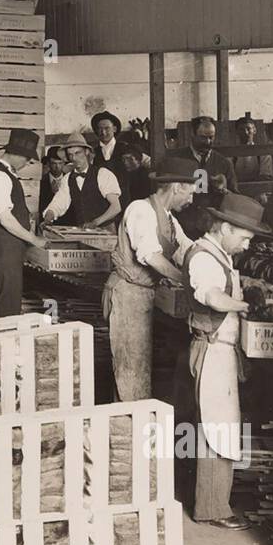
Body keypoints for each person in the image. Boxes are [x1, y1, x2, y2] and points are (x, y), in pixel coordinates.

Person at [184, 194, 270, 529]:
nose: (247, 245)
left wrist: (248, 285)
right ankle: (213, 508)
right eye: (244, 237)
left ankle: (214, 502)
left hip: (222, 349)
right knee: (216, 428)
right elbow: (211, 296)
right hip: (212, 350)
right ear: (224, 227)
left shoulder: (217, 254)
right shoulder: (204, 258)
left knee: (220, 426)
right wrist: (243, 306)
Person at [105, 155, 196, 400]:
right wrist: (187, 281)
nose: (192, 199)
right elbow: (152, 257)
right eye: (190, 192)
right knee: (130, 370)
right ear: (177, 187)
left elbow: (187, 249)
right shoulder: (140, 210)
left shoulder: (169, 219)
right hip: (127, 296)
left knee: (137, 367)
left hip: (143, 297)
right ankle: (126, 430)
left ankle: (132, 424)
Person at [0, 129, 48, 318]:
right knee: (7, 309)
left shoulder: (6, 174)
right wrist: (34, 239)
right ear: (16, 153)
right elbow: (5, 218)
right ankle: (1, 346)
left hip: (10, 251)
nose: (27, 163)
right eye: (27, 158)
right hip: (5, 252)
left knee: (8, 304)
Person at [170, 116, 239, 238]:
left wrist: (224, 190)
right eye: (203, 137)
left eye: (211, 137)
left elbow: (234, 196)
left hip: (213, 228)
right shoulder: (177, 159)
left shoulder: (223, 163)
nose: (208, 142)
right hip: (184, 226)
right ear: (192, 134)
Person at [41, 131, 123, 229]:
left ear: (86, 152)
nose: (74, 158)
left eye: (77, 153)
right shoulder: (67, 179)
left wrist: (95, 222)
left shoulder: (102, 174)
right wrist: (48, 218)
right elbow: (58, 204)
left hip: (106, 231)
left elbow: (116, 207)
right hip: (83, 232)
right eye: (70, 155)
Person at [232, 113, 273, 182]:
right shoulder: (232, 154)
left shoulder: (263, 153)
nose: (245, 132)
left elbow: (266, 176)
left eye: (248, 129)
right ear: (237, 132)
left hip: (259, 190)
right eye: (241, 129)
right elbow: (230, 177)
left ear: (254, 130)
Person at [38, 145, 68, 220]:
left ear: (64, 163)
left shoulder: (70, 180)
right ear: (48, 163)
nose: (57, 167)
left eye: (60, 163)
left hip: (67, 224)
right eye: (54, 163)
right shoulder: (40, 182)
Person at [91, 111, 124, 178]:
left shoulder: (125, 147)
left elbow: (144, 160)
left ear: (114, 129)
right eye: (100, 129)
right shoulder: (93, 152)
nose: (103, 132)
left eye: (107, 128)